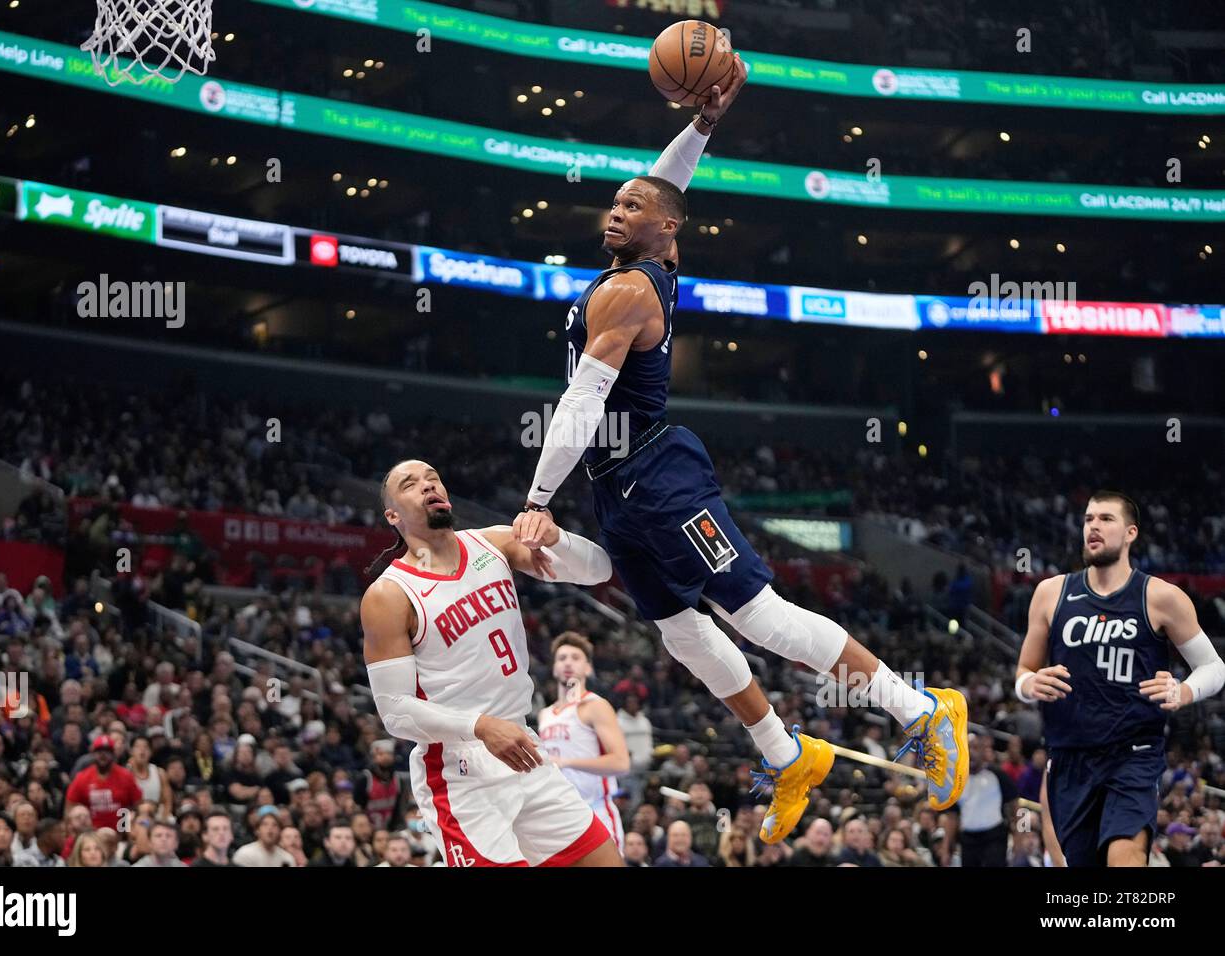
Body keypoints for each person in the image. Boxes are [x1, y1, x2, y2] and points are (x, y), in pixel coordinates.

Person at [512, 57, 967, 845]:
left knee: (757, 616)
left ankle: (921, 709)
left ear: (669, 229)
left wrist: (537, 501)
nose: (615, 211)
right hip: (617, 488)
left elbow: (583, 402)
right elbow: (666, 186)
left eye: (631, 205)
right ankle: (784, 752)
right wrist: (702, 124)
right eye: (614, 202)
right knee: (681, 633)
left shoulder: (630, 290)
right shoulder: (637, 259)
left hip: (656, 470)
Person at [361, 460, 621, 867]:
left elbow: (600, 570)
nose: (428, 486)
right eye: (411, 485)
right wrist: (479, 726)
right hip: (459, 768)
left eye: (434, 477)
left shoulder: (494, 543)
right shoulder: (390, 595)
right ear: (392, 516)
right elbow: (394, 713)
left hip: (523, 745)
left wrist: (559, 539)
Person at [1016, 490, 1225, 866]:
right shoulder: (1050, 593)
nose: (1093, 526)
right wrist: (1028, 685)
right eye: (1088, 519)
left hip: (1132, 755)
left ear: (1131, 533)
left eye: (1105, 519)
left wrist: (1183, 690)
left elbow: (1214, 668)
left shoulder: (1161, 596)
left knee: (1125, 858)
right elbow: (1023, 672)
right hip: (1069, 758)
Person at [537, 631, 631, 855]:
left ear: (588, 668)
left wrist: (567, 762)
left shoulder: (595, 706)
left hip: (595, 810)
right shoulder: (545, 715)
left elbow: (621, 763)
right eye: (562, 658)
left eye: (575, 657)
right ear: (554, 668)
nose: (568, 662)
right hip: (558, 815)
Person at [957, 734, 1017, 867]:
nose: (971, 752)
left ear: (983, 751)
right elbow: (952, 816)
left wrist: (1021, 835)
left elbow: (1018, 806)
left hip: (994, 837)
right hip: (968, 840)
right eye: (967, 748)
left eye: (975, 748)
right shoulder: (957, 780)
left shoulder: (997, 775)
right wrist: (946, 848)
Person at [65, 734, 143, 831]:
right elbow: (70, 808)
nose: (103, 755)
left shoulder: (126, 776)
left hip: (121, 833)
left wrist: (128, 829)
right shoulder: (82, 778)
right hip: (90, 836)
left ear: (113, 754)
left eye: (107, 751)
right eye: (99, 751)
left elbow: (139, 805)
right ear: (93, 754)